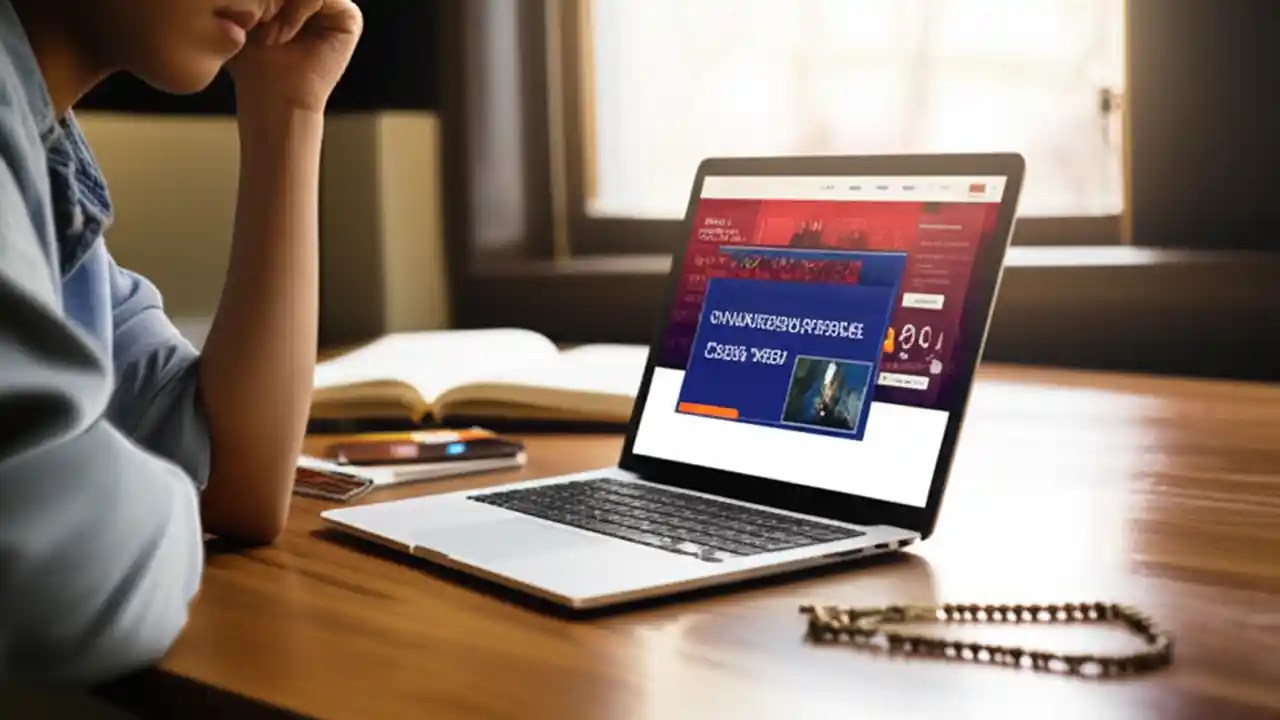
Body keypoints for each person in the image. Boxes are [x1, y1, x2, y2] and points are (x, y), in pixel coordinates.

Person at [0, 0, 362, 684]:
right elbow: (57, 575)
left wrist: (288, 106)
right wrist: (134, 484)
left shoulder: (46, 173)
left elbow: (233, 481)